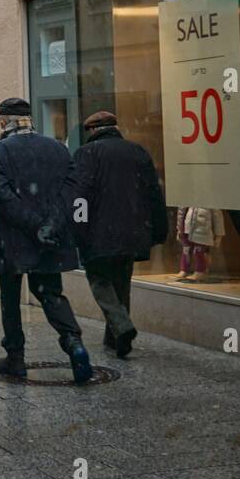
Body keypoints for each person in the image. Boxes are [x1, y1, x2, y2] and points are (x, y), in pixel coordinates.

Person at [0, 98, 92, 383]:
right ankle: (73, 342)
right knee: (50, 293)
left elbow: (3, 197)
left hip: (15, 239)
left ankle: (16, 357)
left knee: (10, 298)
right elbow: (70, 192)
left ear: (5, 121)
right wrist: (51, 225)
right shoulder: (57, 148)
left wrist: (33, 225)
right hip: (51, 238)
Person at [63, 110, 168, 359]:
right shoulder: (137, 151)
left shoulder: (86, 154)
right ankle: (116, 339)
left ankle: (122, 327)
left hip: (99, 230)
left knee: (99, 279)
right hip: (132, 230)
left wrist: (77, 229)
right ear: (115, 127)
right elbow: (154, 193)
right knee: (121, 283)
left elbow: (79, 197)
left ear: (91, 131)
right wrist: (158, 228)